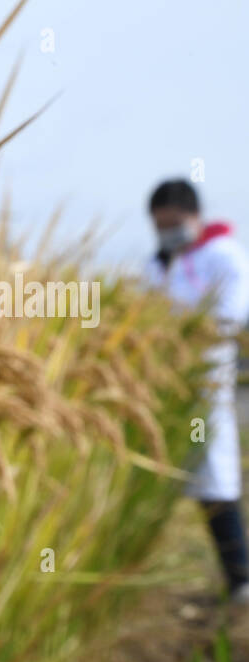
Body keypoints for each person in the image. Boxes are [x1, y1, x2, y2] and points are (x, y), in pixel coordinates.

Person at [144, 179, 249, 602]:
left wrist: (181, 335)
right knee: (156, 475)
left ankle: (239, 576)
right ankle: (143, 574)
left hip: (207, 381)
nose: (168, 233)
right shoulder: (157, 264)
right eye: (160, 226)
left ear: (195, 216)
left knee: (214, 477)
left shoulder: (225, 256)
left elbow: (229, 317)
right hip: (158, 382)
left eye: (174, 223)